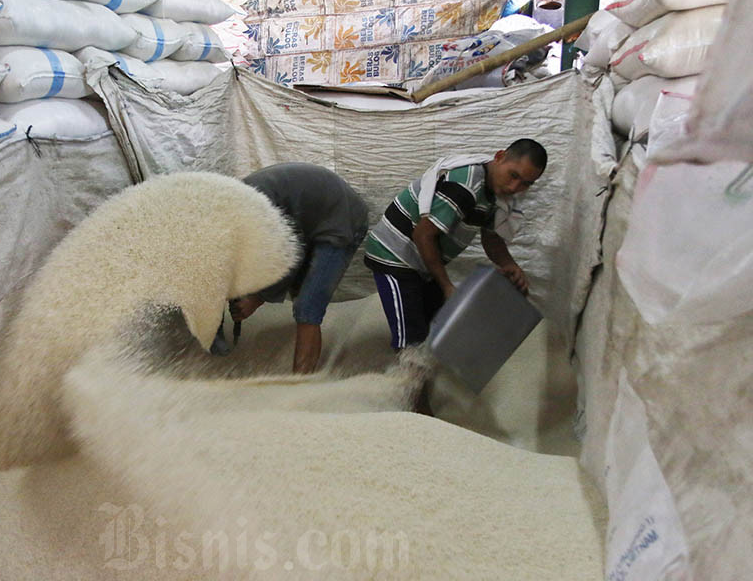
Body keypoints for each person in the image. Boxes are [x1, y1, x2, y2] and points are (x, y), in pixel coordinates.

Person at [363, 139, 547, 410]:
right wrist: (446, 285)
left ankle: (417, 397)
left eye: (525, 184)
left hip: (420, 261)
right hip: (394, 254)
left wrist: (510, 264)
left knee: (436, 326)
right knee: (410, 339)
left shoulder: (497, 194)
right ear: (500, 157)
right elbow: (423, 235)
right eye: (513, 176)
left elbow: (492, 238)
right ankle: (410, 410)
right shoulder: (465, 185)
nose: (514, 187)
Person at [227, 162, 369, 375]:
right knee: (300, 293)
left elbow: (291, 254)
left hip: (341, 219)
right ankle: (305, 370)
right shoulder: (233, 212)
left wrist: (256, 299)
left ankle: (301, 382)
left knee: (307, 306)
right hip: (312, 218)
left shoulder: (255, 209)